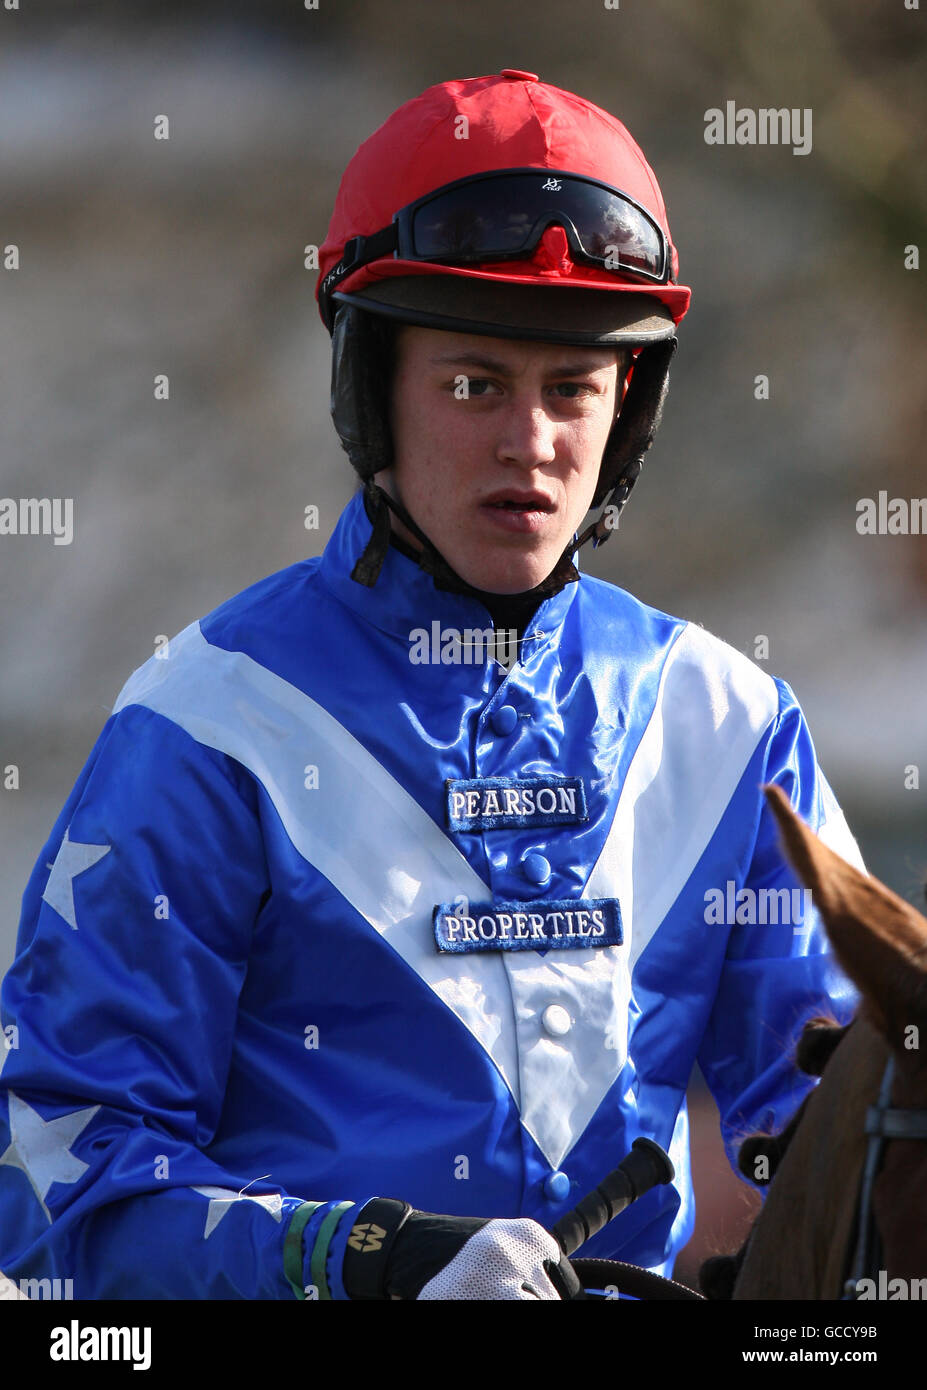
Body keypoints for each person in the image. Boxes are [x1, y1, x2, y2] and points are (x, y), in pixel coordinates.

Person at [0, 70, 863, 1301]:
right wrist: (367, 1265)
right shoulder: (206, 728)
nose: (532, 442)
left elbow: (853, 1125)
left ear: (629, 410)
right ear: (372, 391)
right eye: (474, 384)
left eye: (573, 387)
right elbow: (55, 1213)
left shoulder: (729, 726)